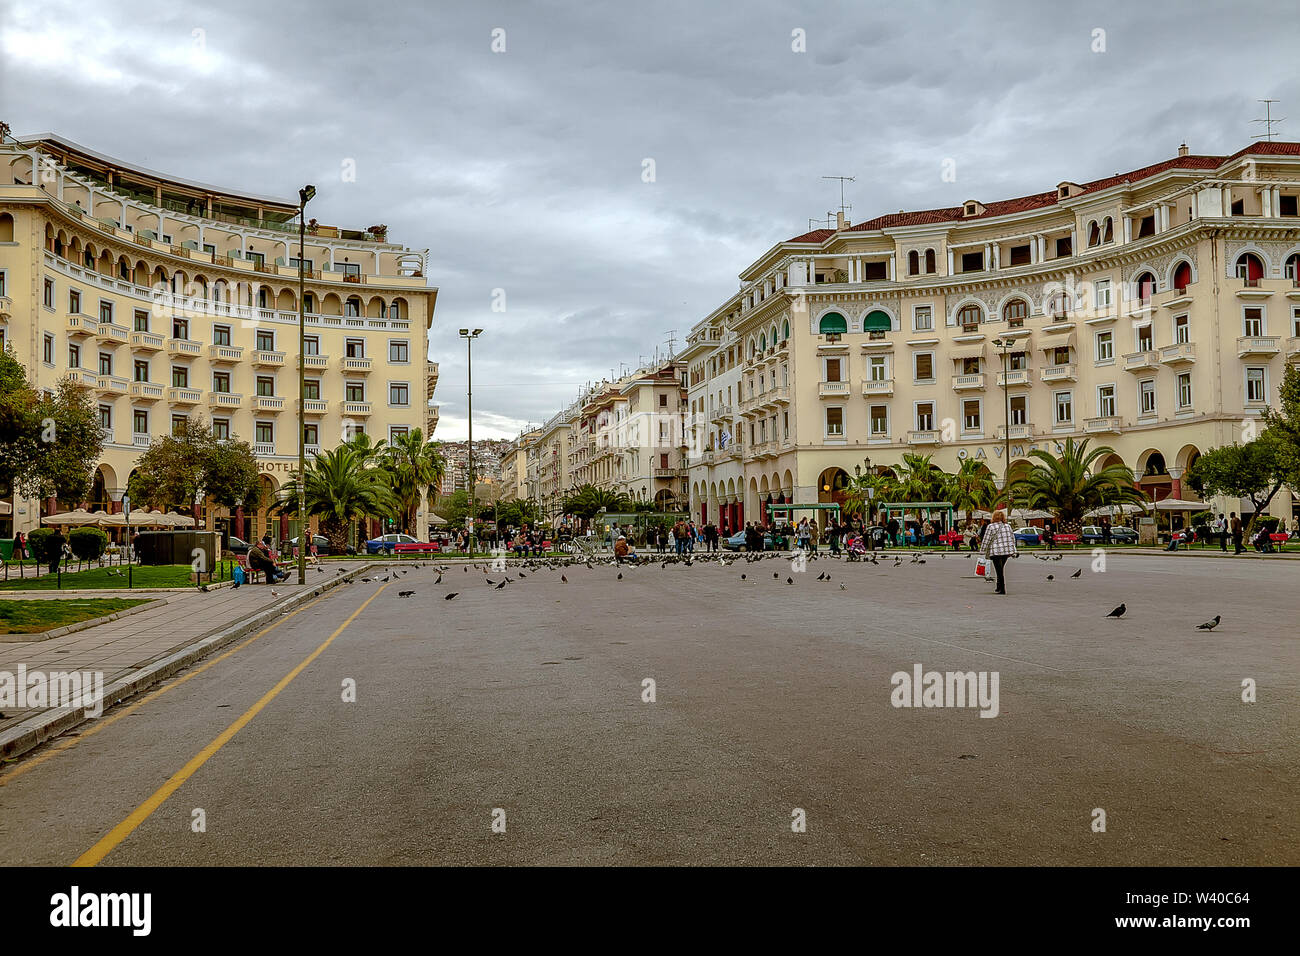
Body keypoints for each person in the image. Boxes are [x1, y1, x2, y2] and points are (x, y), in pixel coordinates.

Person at [980, 509, 1018, 595]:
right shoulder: (1007, 526)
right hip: (1006, 551)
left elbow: (986, 539)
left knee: (999, 570)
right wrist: (1013, 550)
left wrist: (982, 550)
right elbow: (1012, 538)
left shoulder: (991, 526)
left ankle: (1002, 588)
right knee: (1000, 569)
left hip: (996, 551)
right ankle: (998, 586)